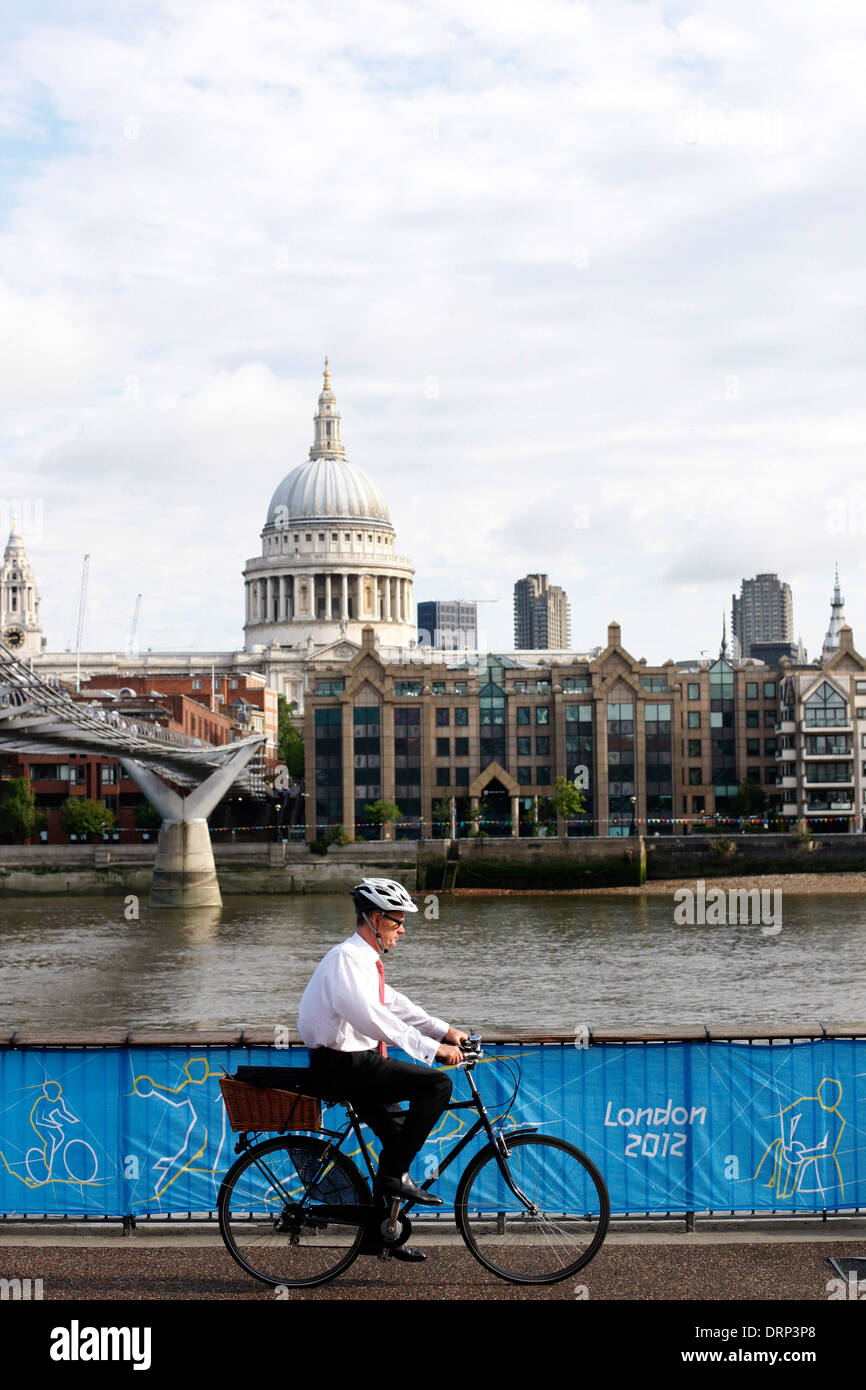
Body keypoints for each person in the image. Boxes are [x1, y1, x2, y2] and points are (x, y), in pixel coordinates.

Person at [298, 876, 467, 1262]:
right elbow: (372, 1018)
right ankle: (394, 1178)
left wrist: (446, 1030)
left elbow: (395, 1004)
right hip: (343, 1065)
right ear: (374, 919)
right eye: (396, 921)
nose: (402, 930)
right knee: (436, 1087)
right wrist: (433, 1050)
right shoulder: (346, 960)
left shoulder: (363, 961)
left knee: (397, 1145)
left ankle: (377, 1236)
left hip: (354, 1063)